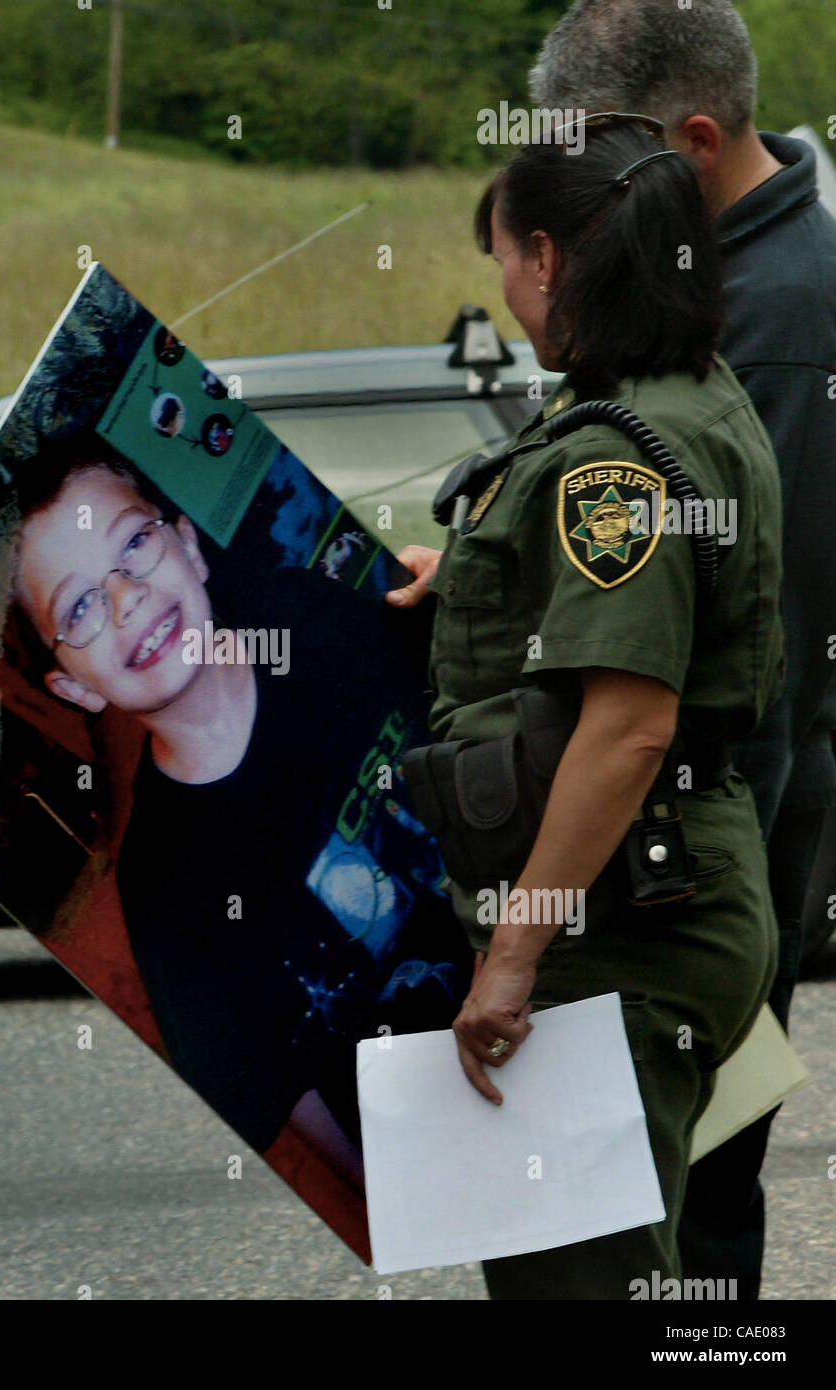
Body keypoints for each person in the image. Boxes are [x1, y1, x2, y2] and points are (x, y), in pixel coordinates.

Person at [389, 117, 783, 1298]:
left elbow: (627, 724)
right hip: (669, 889)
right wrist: (465, 580)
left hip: (617, 924)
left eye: (506, 259)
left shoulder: (612, 459)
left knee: (577, 1288)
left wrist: (514, 955)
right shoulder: (688, 397)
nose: (504, 290)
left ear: (551, 260)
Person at [528, 0, 836, 1300]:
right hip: (685, 855)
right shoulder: (701, 278)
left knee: (676, 1232)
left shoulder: (774, 323)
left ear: (694, 140)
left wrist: (704, 927)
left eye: (595, 162)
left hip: (700, 861)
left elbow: (760, 674)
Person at [8, 445, 467, 1187]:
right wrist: (416, 1197)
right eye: (81, 606)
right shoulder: (161, 891)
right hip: (456, 1136)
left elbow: (478, 710)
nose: (126, 598)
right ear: (74, 689)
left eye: (134, 543)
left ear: (187, 546)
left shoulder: (312, 618)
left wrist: (463, 598)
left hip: (562, 989)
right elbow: (289, 1102)